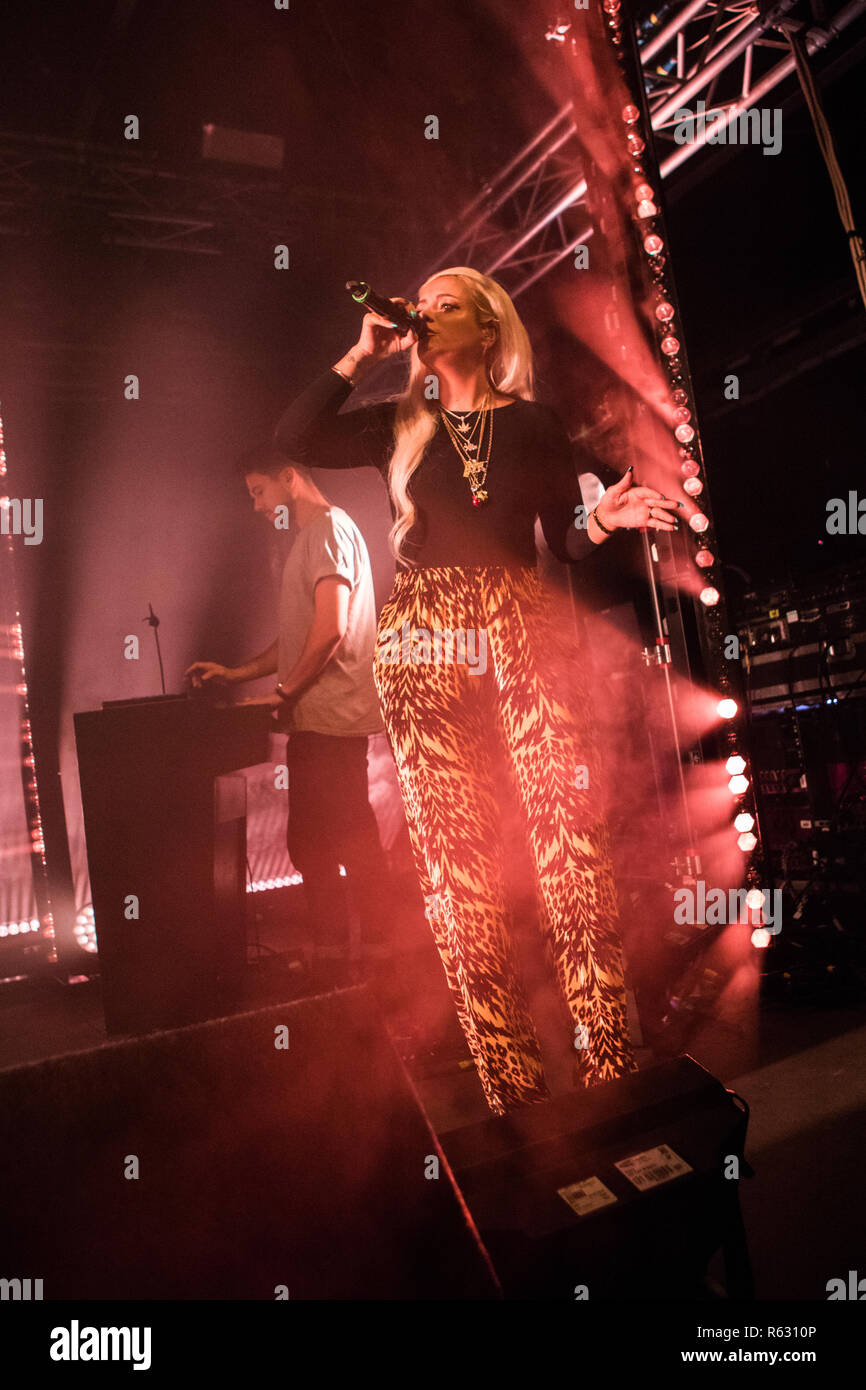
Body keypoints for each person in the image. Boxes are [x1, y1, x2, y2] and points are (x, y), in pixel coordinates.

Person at [273, 265, 681, 1115]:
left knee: (565, 835)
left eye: (444, 304)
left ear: (487, 329)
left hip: (517, 614)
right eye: (420, 305)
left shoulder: (531, 427)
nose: (423, 314)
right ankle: (510, 1084)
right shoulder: (397, 425)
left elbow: (560, 545)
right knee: (454, 862)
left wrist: (604, 518)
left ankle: (610, 1055)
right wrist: (361, 354)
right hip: (423, 627)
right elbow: (296, 435)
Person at [186, 446, 390, 990]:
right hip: (316, 722)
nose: (256, 506)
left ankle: (367, 972)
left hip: (330, 721)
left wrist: (282, 693)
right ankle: (353, 966)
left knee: (339, 846)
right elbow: (298, 637)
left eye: (259, 491)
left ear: (290, 478)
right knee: (322, 845)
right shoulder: (313, 538)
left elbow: (330, 629)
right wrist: (235, 673)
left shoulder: (327, 529)